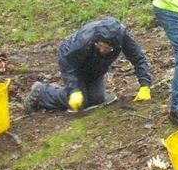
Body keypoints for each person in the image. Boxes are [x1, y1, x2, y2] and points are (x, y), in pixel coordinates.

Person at [24, 17, 152, 112]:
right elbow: (68, 65)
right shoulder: (84, 40)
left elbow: (138, 58)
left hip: (96, 67)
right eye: (99, 46)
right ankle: (42, 92)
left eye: (107, 49)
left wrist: (145, 85)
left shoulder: (122, 37)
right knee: (81, 102)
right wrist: (74, 90)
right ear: (96, 40)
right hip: (74, 62)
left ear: (115, 45)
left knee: (97, 99)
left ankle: (82, 90)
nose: (102, 50)